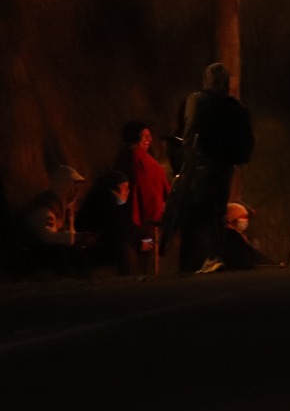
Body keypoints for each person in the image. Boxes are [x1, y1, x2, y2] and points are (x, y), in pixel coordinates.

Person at [172, 63, 254, 274]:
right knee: (218, 208)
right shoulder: (234, 106)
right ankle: (216, 254)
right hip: (226, 164)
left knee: (203, 209)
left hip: (203, 162)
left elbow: (190, 132)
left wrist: (187, 155)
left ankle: (210, 256)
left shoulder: (198, 100)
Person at [113, 120, 169, 274]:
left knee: (143, 253)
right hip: (141, 219)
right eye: (145, 136)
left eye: (150, 136)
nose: (149, 140)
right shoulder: (134, 155)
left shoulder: (136, 156)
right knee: (143, 255)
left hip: (141, 217)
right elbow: (143, 187)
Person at [19, 165, 90, 275]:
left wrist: (80, 239)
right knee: (60, 251)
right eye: (73, 188)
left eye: (78, 189)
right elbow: (46, 236)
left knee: (76, 251)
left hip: (48, 248)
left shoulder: (65, 208)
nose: (76, 193)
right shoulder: (45, 206)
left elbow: (69, 233)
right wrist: (74, 238)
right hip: (34, 251)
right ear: (64, 187)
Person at [76, 171, 138, 275]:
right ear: (115, 187)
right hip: (92, 247)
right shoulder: (106, 201)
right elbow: (117, 228)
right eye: (124, 187)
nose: (128, 191)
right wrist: (138, 242)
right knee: (125, 250)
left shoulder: (102, 198)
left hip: (93, 244)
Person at [220, 203, 278, 269]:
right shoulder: (232, 238)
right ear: (232, 219)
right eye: (243, 217)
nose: (246, 220)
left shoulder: (236, 236)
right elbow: (251, 256)